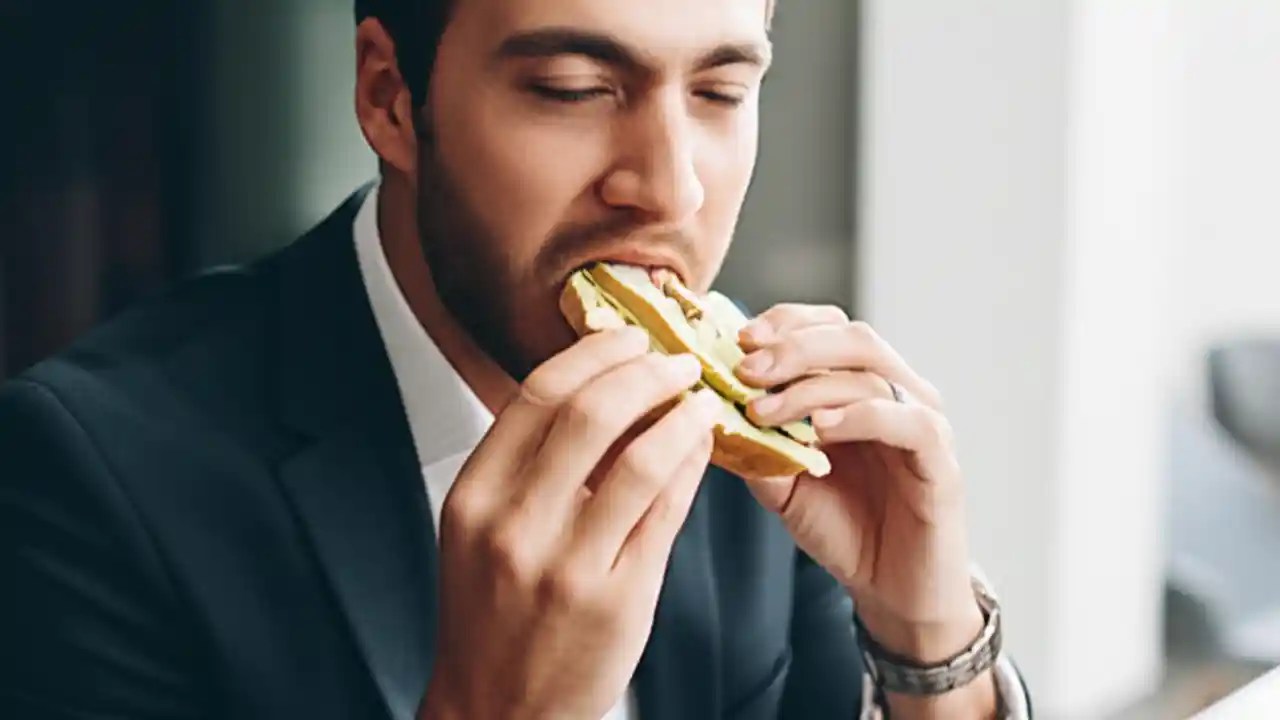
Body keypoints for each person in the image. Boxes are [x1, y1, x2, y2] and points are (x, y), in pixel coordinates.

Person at [0, 1, 1031, 718]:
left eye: (719, 91)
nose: (667, 190)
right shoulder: (89, 476)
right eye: (573, 88)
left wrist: (927, 644)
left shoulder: (766, 436)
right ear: (389, 97)